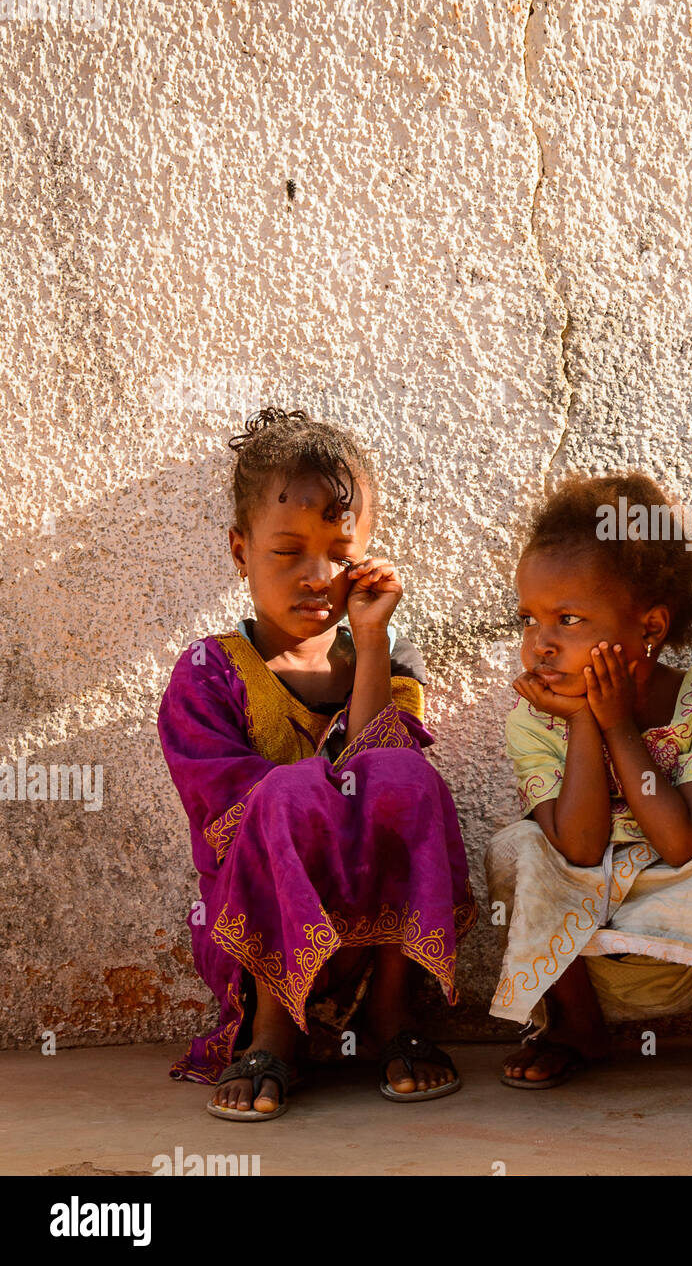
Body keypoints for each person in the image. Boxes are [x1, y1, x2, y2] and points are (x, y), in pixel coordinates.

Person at [157, 407, 476, 1119]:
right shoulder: (209, 672)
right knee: (287, 793)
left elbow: (384, 779)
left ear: (365, 556)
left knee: (405, 774)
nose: (316, 574)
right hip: (253, 926)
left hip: (371, 929)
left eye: (338, 551)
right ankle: (274, 1031)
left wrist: (369, 642)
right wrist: (312, 790)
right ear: (240, 551)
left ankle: (389, 1015)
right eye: (287, 551)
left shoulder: (385, 659)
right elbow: (225, 815)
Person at [486, 471, 692, 1087]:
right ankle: (573, 1024)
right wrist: (582, 724)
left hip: (681, 900)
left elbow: (682, 845)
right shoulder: (534, 719)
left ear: (649, 628)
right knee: (515, 849)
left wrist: (617, 724)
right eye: (528, 619)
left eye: (567, 619)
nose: (539, 644)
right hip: (585, 911)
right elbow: (576, 847)